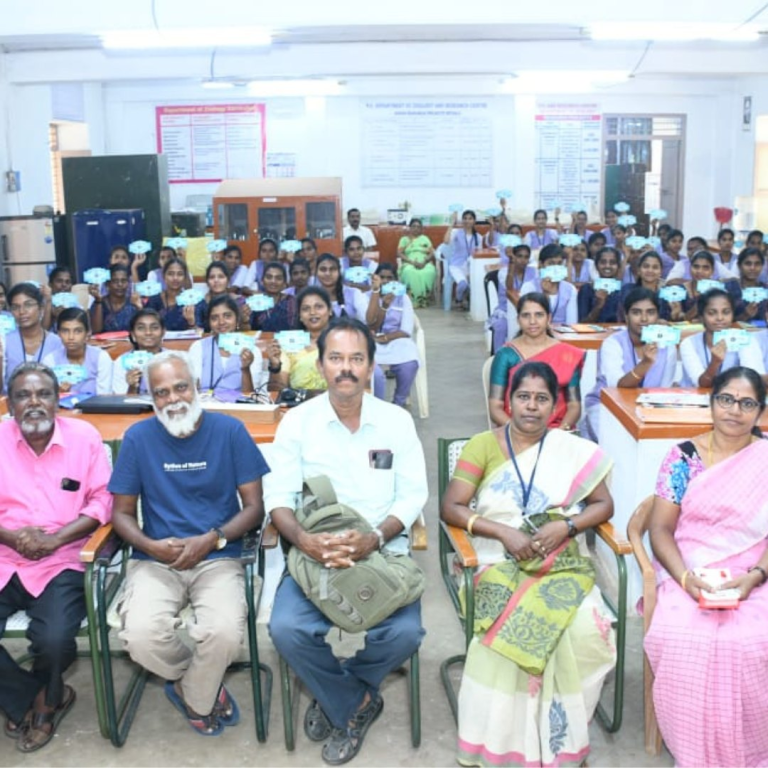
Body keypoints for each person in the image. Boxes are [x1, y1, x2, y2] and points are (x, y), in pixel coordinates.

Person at [265, 316, 427, 765]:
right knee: (286, 629)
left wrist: (374, 538)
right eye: (336, 358)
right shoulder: (297, 423)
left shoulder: (396, 422)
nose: (346, 368)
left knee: (406, 634)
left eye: (357, 358)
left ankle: (335, 691)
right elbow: (277, 497)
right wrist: (304, 542)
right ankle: (354, 703)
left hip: (381, 553)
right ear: (320, 366)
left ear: (372, 365)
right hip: (316, 557)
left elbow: (414, 494)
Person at [441, 360, 616, 768]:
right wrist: (504, 533)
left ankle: (561, 735)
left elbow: (604, 504)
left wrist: (568, 528)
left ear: (554, 405)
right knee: (513, 625)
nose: (531, 407)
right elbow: (452, 506)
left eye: (541, 398)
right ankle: (505, 744)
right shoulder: (482, 445)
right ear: (509, 400)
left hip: (560, 560)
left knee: (586, 626)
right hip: (493, 559)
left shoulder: (571, 449)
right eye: (523, 397)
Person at [109, 350, 269, 737]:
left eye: (181, 387)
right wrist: (151, 545)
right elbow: (121, 514)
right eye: (162, 392)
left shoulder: (230, 431)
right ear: (152, 397)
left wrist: (213, 539)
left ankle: (191, 691)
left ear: (196, 387)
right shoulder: (137, 438)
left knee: (226, 632)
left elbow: (254, 508)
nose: (173, 399)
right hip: (156, 558)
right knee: (140, 636)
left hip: (219, 555)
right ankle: (202, 682)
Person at [646, 366, 768, 767]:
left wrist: (755, 576)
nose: (735, 410)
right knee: (687, 637)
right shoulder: (683, 457)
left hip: (755, 571)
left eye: (747, 403)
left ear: (760, 411)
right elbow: (660, 529)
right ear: (711, 402)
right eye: (726, 399)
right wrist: (685, 579)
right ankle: (696, 753)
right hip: (690, 568)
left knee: (750, 641)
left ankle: (752, 752)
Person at [0, 363, 112, 753]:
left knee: (54, 637)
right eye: (23, 396)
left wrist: (57, 538)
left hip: (62, 557)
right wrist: (12, 537)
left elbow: (103, 499)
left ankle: (42, 699)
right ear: (9, 403)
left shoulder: (84, 438)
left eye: (43, 394)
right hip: (3, 555)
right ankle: (39, 696)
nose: (34, 403)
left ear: (57, 399)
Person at [585, 288, 677, 440]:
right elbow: (617, 388)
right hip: (608, 407)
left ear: (657, 316)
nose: (644, 319)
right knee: (616, 444)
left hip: (650, 410)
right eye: (636, 312)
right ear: (626, 317)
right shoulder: (613, 343)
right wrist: (645, 364)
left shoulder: (667, 347)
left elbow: (663, 390)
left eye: (650, 312)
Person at [489, 292, 584, 430]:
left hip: (557, 432)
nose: (532, 321)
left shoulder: (567, 355)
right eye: (526, 315)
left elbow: (574, 406)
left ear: (549, 318)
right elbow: (495, 407)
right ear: (518, 320)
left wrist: (558, 433)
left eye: (539, 315)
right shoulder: (506, 354)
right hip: (515, 431)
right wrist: (519, 432)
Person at [679, 289, 766, 387]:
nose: (720, 318)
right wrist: (715, 363)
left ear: (732, 315)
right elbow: (701, 384)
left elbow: (753, 378)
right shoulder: (689, 343)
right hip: (695, 400)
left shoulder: (744, 339)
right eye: (712, 313)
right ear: (701, 317)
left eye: (726, 312)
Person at [362, 264, 420, 407]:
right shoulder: (366, 296)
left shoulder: (403, 298)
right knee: (371, 368)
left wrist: (386, 338)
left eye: (390, 278)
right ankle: (376, 405)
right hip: (371, 340)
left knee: (410, 362)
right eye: (382, 277)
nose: (385, 281)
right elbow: (368, 324)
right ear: (376, 278)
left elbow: (406, 329)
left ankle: (399, 402)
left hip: (396, 338)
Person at [189, 296, 264, 402]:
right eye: (214, 318)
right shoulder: (198, 347)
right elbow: (193, 388)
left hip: (240, 409)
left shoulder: (252, 350)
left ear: (237, 319)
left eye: (227, 316)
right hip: (206, 408)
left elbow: (250, 397)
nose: (221, 322)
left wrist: (245, 369)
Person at [266, 286, 334, 393]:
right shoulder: (289, 345)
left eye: (319, 307)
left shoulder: (342, 342)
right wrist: (275, 367)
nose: (312, 312)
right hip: (298, 405)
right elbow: (277, 391)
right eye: (306, 309)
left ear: (330, 311)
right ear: (300, 316)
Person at [2, 283, 64, 393]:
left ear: (41, 308)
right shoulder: (4, 342)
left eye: (28, 305)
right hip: (12, 404)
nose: (22, 312)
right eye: (15, 307)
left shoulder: (57, 343)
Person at [42, 308, 112, 396]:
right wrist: (59, 394)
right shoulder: (50, 360)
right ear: (59, 334)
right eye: (65, 331)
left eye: (78, 331)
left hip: (94, 408)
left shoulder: (101, 358)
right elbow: (47, 397)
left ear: (87, 334)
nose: (71, 337)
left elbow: (104, 397)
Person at [520, 244, 579, 325]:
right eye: (551, 263)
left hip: (562, 335)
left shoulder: (570, 289)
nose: (556, 267)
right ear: (541, 265)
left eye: (559, 263)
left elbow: (572, 322)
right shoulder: (529, 287)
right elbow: (528, 320)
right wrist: (545, 294)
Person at [112, 309, 166, 395]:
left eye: (154, 328)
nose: (148, 332)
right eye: (141, 328)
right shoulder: (122, 362)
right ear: (133, 335)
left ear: (163, 332)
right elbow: (122, 402)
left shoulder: (174, 359)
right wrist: (132, 387)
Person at [679, 251, 742, 320]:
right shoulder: (681, 289)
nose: (700, 271)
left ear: (712, 271)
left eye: (705, 268)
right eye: (696, 267)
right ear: (690, 268)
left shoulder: (718, 290)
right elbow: (678, 318)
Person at [617, 251, 675, 322]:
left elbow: (672, 319)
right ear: (638, 270)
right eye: (646, 266)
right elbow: (623, 317)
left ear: (661, 272)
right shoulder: (628, 290)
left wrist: (675, 314)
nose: (650, 270)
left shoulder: (666, 294)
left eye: (655, 267)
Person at [146, 258, 200, 332]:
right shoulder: (154, 300)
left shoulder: (192, 300)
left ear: (185, 277)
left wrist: (191, 322)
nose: (175, 278)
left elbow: (201, 333)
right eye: (171, 274)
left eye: (180, 274)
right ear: (164, 276)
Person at [443, 209, 482, 307]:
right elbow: (446, 241)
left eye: (470, 218)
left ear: (474, 221)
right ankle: (458, 300)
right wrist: (451, 224)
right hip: (457, 265)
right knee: (463, 284)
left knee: (474, 285)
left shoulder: (478, 237)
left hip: (471, 267)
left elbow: (479, 254)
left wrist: (470, 272)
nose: (467, 221)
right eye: (465, 218)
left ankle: (468, 300)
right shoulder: (456, 232)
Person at [245, 261, 297, 332]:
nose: (273, 281)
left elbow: (296, 328)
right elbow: (247, 329)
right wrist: (243, 320)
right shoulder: (254, 302)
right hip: (260, 341)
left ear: (285, 283)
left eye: (278, 278)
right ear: (262, 281)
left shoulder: (291, 301)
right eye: (269, 277)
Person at [89, 264, 142, 333]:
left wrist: (139, 308)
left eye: (123, 281)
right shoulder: (100, 303)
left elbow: (142, 329)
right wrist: (98, 301)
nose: (120, 284)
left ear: (129, 283)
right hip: (105, 343)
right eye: (115, 281)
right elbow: (96, 330)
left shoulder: (133, 302)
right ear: (107, 284)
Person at [397, 218, 436, 307]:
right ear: (409, 228)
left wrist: (425, 261)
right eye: (413, 226)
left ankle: (424, 299)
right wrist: (411, 262)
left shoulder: (425, 238)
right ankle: (413, 300)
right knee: (409, 272)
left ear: (421, 229)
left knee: (429, 271)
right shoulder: (404, 239)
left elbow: (432, 252)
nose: (416, 229)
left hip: (425, 262)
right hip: (409, 262)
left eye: (418, 227)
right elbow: (399, 253)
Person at [577, 246, 622, 322]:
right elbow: (582, 323)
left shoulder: (624, 290)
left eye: (612, 262)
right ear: (596, 265)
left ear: (618, 266)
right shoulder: (587, 289)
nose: (607, 266)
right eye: (603, 262)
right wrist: (598, 306)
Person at [189, 261, 231, 332]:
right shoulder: (200, 304)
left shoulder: (238, 301)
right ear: (207, 282)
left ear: (228, 280)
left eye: (221, 277)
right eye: (212, 277)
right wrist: (191, 322)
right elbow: (198, 331)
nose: (216, 280)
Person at [316, 254, 360, 319]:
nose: (327, 273)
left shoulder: (354, 293)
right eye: (323, 269)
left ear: (339, 272)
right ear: (316, 272)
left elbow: (368, 321)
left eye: (332, 269)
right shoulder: (310, 296)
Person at [736, 247, 768, 325]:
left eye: (757, 264)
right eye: (748, 263)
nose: (752, 268)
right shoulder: (729, 288)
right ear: (739, 266)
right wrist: (745, 315)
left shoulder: (766, 289)